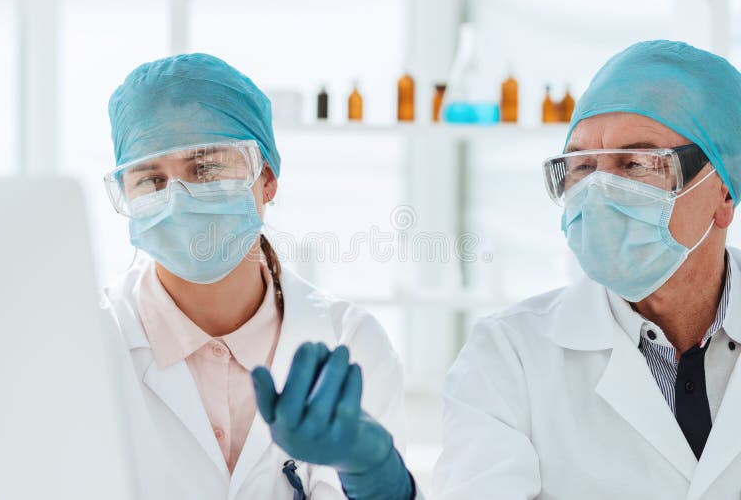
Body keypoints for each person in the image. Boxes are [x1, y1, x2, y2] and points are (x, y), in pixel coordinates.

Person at [432, 40, 741, 498]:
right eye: (581, 168)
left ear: (723, 191)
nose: (599, 192)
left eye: (636, 163)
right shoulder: (507, 357)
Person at [99, 53, 406, 499]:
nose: (179, 198)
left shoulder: (351, 341)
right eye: (150, 180)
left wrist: (378, 480)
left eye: (204, 168)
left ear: (267, 180)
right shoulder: (90, 345)